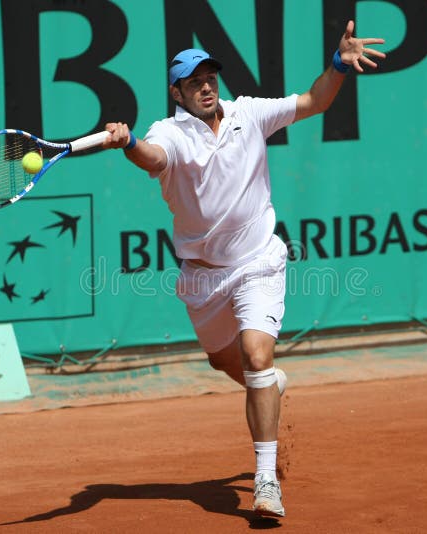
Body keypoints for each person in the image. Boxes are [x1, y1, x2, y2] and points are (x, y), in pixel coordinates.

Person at [103, 20, 385, 518]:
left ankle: (264, 481)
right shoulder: (168, 133)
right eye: (195, 81)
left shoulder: (249, 114)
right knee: (224, 361)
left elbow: (313, 102)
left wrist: (338, 64)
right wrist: (127, 142)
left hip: (258, 259)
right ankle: (270, 387)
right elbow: (152, 159)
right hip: (204, 274)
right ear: (178, 92)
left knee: (257, 356)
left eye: (211, 77)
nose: (207, 86)